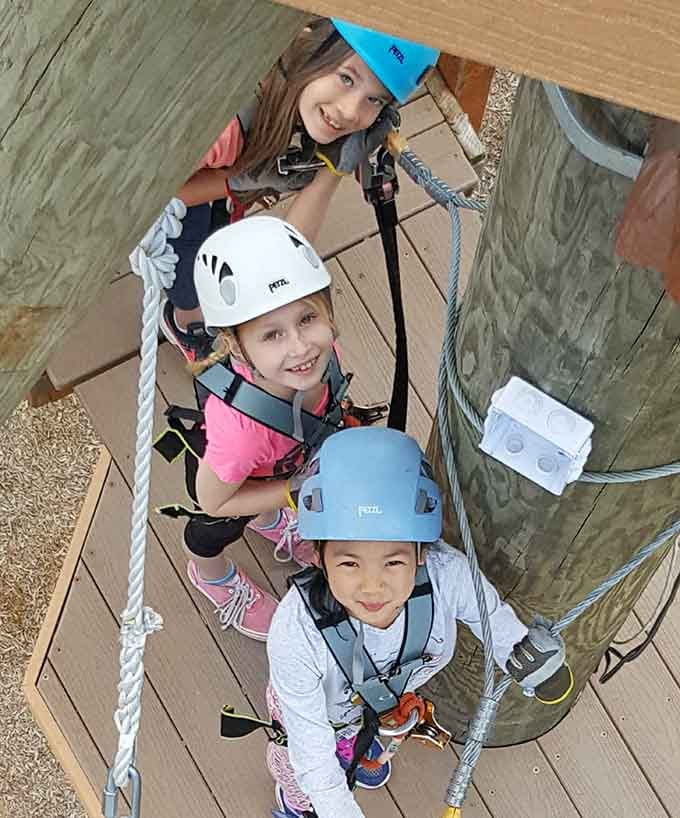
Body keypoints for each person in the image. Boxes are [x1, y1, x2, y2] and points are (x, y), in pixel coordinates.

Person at [265, 427, 574, 818]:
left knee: (360, 735)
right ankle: (294, 805)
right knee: (303, 780)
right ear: (317, 557)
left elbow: (490, 617)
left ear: (422, 553)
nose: (372, 586)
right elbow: (311, 753)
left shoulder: (448, 577)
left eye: (393, 562)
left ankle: (357, 744)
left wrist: (523, 654)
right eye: (349, 563)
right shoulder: (296, 635)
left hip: (374, 702)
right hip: (314, 714)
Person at [158, 17, 439, 362]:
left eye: (375, 100)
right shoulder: (225, 122)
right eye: (346, 78)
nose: (350, 111)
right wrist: (239, 179)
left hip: (218, 173)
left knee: (219, 234)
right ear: (307, 44)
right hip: (173, 182)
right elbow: (156, 197)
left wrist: (334, 171)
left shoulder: (297, 94)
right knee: (189, 276)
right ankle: (185, 320)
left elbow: (287, 250)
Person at [161, 215, 350, 641]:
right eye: (272, 335)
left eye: (308, 319)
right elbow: (213, 502)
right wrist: (292, 492)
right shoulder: (241, 434)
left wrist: (328, 178)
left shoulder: (321, 358)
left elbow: (301, 228)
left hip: (280, 461)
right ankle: (212, 577)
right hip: (230, 481)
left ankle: (269, 518)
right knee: (211, 534)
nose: (300, 347)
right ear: (236, 346)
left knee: (268, 488)